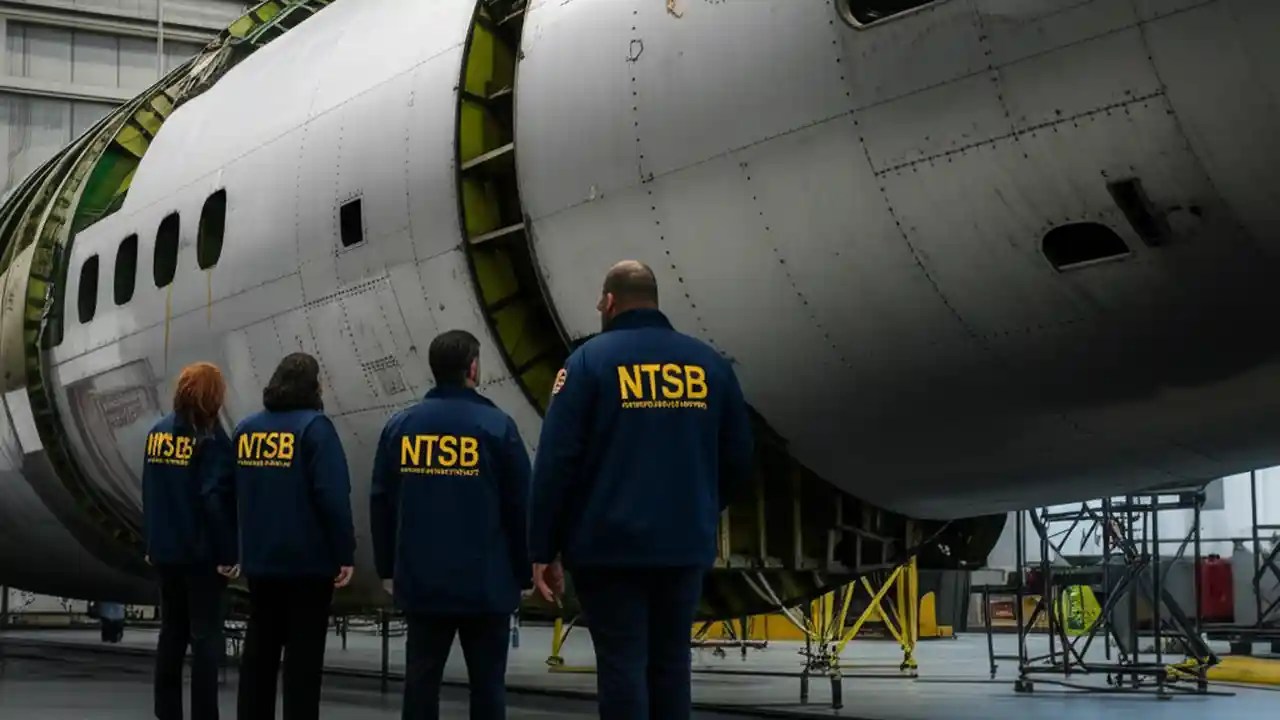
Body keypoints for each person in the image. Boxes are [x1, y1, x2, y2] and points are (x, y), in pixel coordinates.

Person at [528, 260, 754, 720]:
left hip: (609, 550)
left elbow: (556, 463)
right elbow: (738, 458)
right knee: (672, 667)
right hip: (682, 546)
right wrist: (702, 508)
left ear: (610, 302)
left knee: (622, 667)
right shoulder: (709, 364)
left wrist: (543, 548)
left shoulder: (588, 363)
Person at [371, 330, 531, 720]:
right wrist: (525, 572)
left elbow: (381, 502)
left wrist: (388, 570)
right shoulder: (497, 427)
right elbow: (521, 506)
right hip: (486, 584)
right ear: (473, 368)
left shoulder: (401, 427)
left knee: (421, 684)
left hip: (423, 584)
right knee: (488, 687)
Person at [234, 352, 356, 720]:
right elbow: (333, 497)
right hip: (307, 567)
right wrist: (344, 553)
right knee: (303, 664)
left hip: (261, 563)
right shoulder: (315, 429)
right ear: (313, 387)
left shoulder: (246, 430)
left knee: (258, 655)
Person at [142, 361, 238, 720]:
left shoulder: (158, 434)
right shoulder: (211, 441)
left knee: (171, 637)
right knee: (205, 641)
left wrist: (151, 541)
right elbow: (214, 499)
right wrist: (229, 552)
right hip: (201, 558)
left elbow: (150, 492)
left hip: (165, 553)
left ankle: (166, 713)